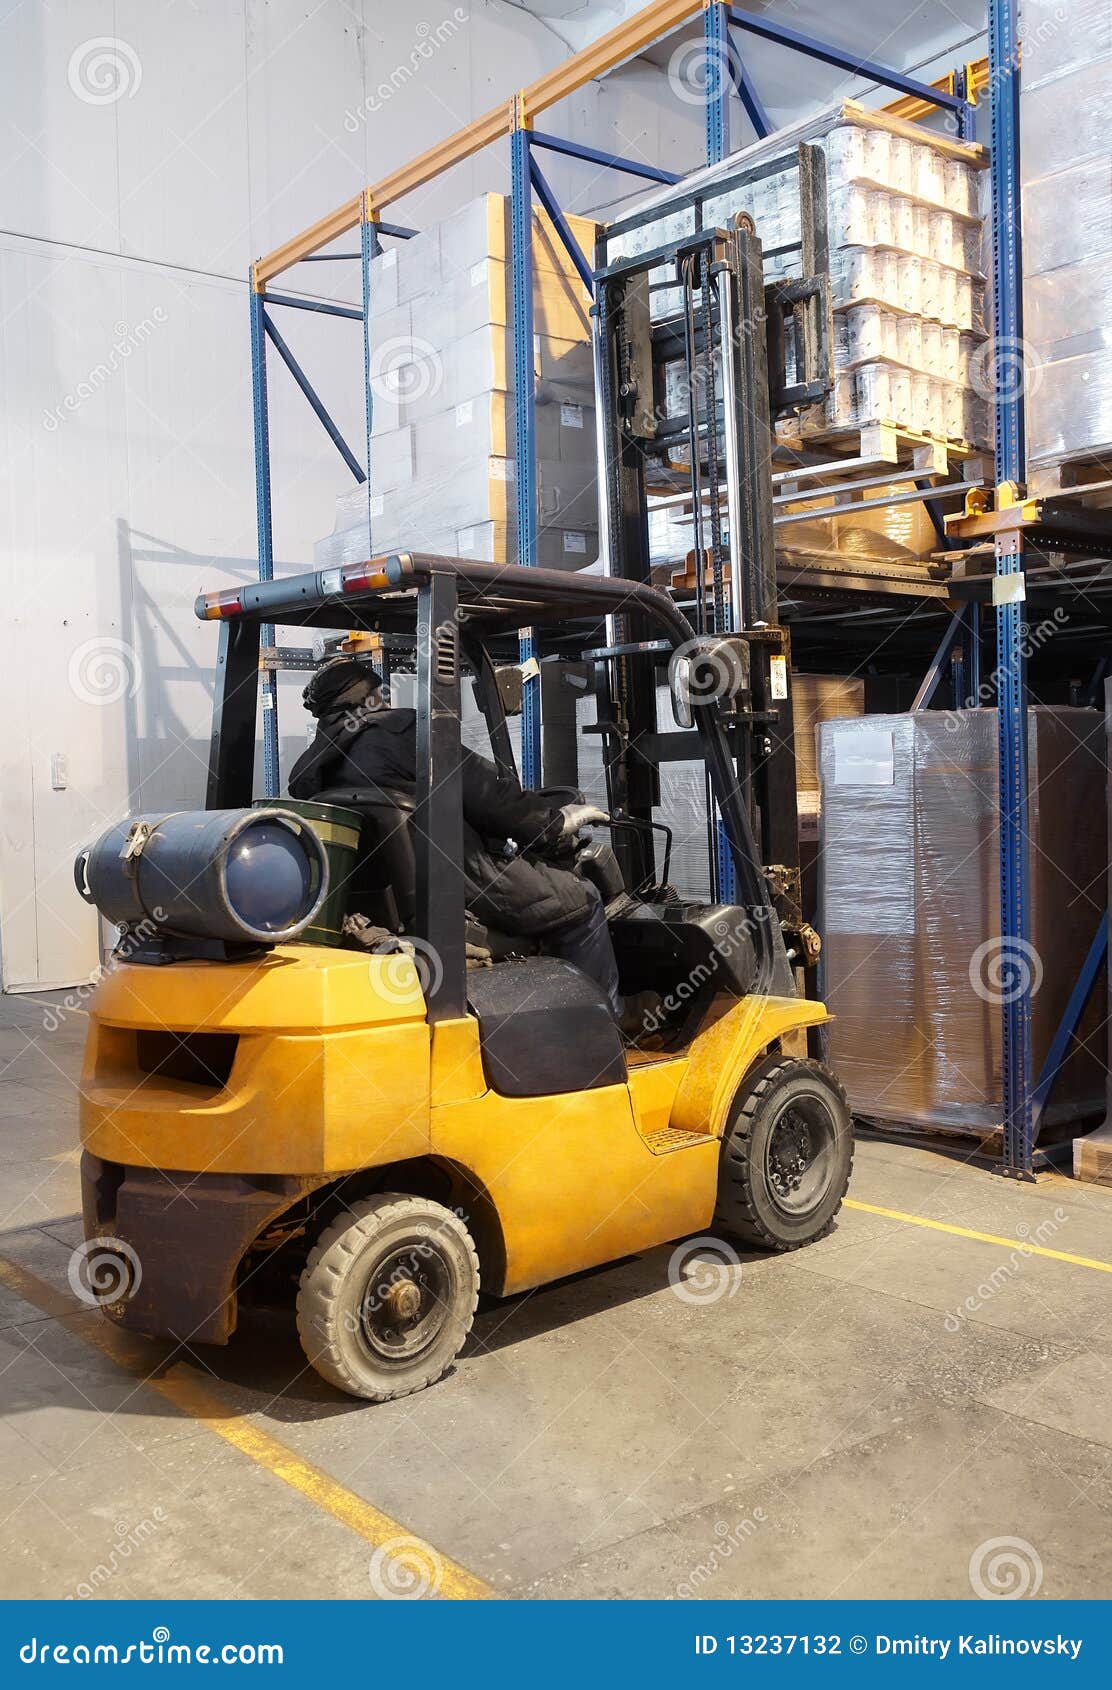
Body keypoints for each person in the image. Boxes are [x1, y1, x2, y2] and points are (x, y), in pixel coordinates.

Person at [288, 654, 650, 1034]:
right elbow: (489, 794)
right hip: (463, 879)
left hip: (389, 900)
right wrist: (554, 822)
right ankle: (607, 1021)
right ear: (372, 695)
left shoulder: (314, 767)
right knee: (582, 901)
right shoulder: (401, 733)